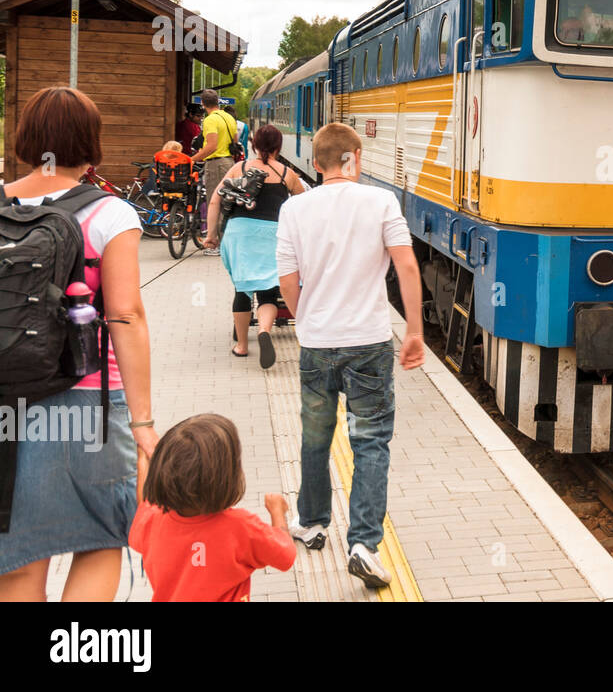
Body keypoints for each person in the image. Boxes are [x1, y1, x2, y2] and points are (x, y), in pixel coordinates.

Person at [0, 87, 158, 602]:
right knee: (98, 542)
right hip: (86, 400)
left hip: (7, 404)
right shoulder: (110, 214)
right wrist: (143, 423)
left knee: (19, 563)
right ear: (89, 142)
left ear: (27, 139)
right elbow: (125, 315)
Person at [276, 123, 423, 589]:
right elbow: (406, 265)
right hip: (370, 344)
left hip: (318, 345)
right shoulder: (381, 202)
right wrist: (415, 332)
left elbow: (287, 279)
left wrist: (307, 320)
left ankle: (313, 523)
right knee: (371, 442)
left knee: (316, 437)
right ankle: (362, 544)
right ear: (355, 158)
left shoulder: (294, 208)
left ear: (316, 164)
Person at [129, 414, 296, 602]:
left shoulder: (153, 519)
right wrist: (278, 513)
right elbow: (286, 556)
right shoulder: (240, 527)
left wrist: (142, 461)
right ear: (226, 478)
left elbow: (144, 503)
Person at [204, 124, 305, 369]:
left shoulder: (239, 168)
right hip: (272, 234)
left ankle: (241, 346)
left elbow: (215, 200)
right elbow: (305, 207)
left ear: (254, 145)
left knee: (242, 289)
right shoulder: (286, 174)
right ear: (279, 147)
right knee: (268, 291)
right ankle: (265, 330)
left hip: (239, 234)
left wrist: (211, 235)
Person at [191, 89, 239, 256]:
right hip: (229, 163)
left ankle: (217, 244)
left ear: (203, 104)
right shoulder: (228, 117)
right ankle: (227, 241)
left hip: (216, 163)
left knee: (215, 203)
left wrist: (193, 159)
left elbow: (211, 146)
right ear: (218, 102)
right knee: (228, 203)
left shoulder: (211, 120)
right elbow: (235, 141)